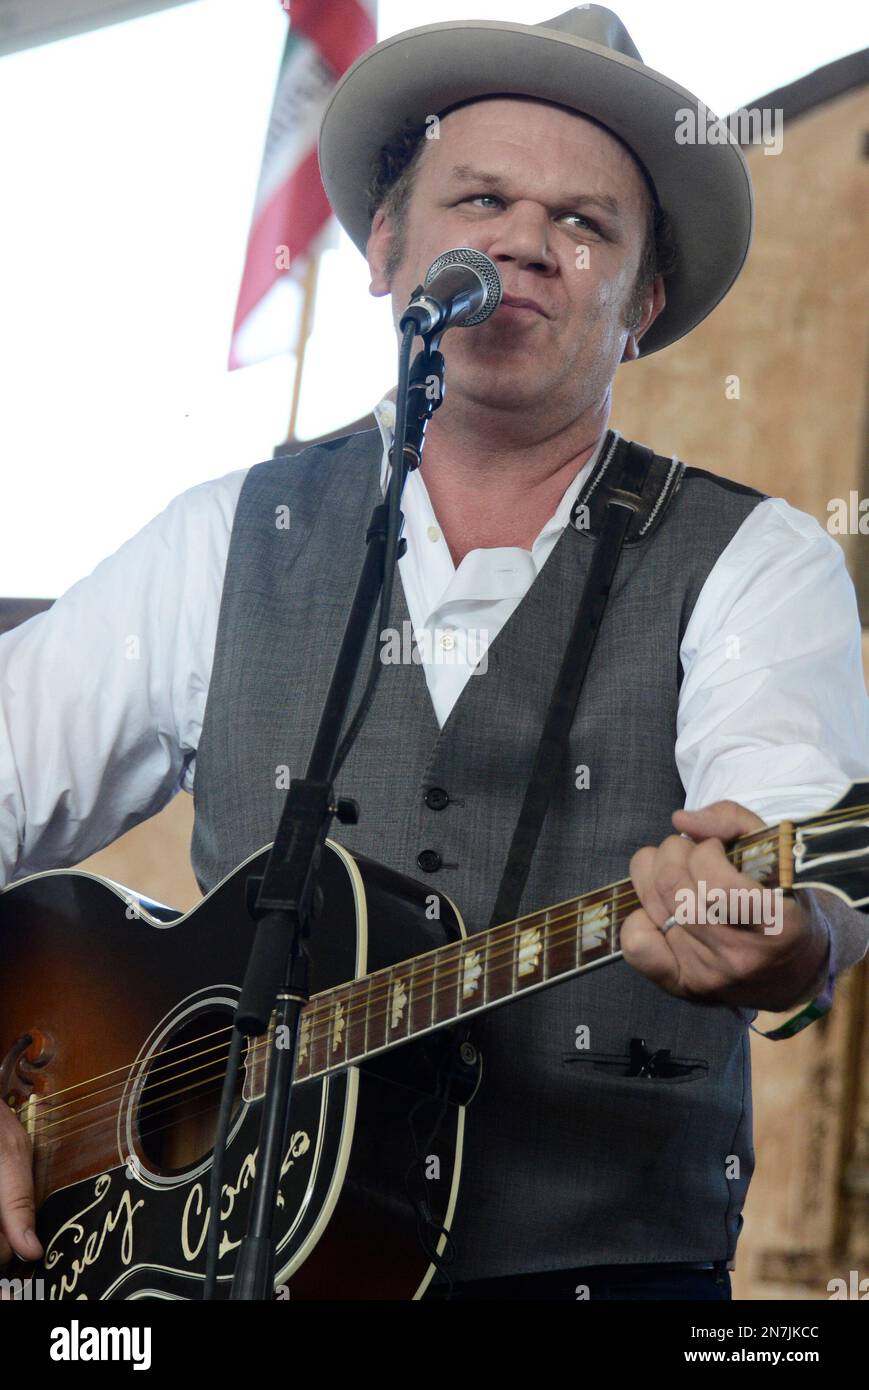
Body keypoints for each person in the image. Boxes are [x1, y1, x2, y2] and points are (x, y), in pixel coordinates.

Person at [1, 6, 868, 1300]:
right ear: (385, 249)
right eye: (479, 199)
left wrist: (781, 927)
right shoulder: (225, 535)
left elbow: (801, 856)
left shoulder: (756, 558)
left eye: (582, 224)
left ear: (641, 302)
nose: (521, 239)